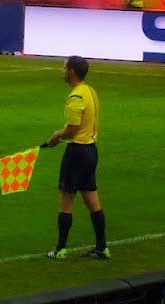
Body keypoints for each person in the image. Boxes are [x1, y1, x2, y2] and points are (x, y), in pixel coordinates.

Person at [44, 56, 106, 260]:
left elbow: (73, 129)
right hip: (90, 151)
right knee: (93, 201)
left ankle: (60, 250)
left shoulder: (76, 96)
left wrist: (57, 135)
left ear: (72, 71)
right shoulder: (90, 91)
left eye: (65, 68)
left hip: (76, 154)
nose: (62, 71)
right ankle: (102, 247)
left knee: (66, 201)